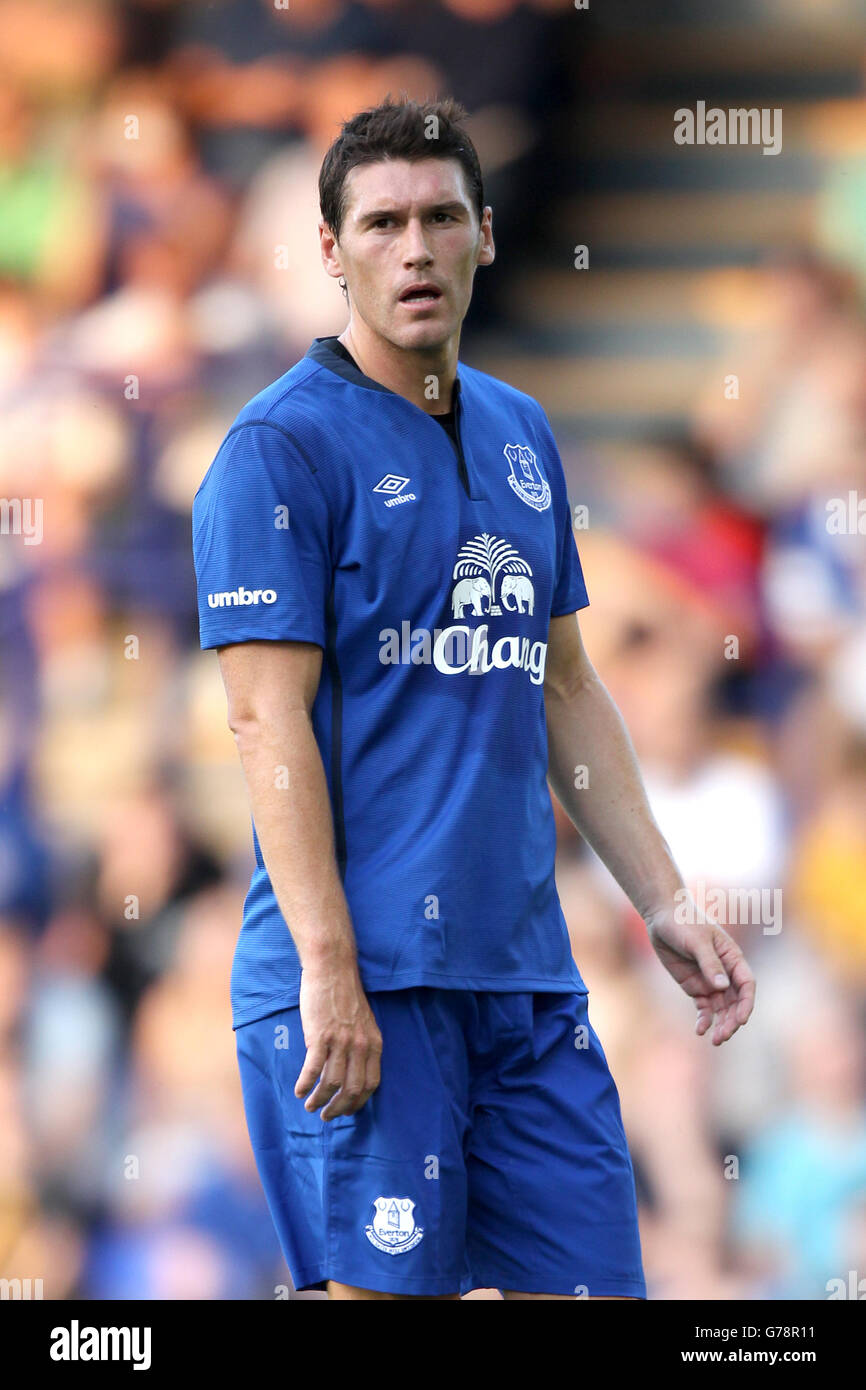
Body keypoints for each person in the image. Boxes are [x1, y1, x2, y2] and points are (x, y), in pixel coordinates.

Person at [192, 94, 755, 1301]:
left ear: (484, 236)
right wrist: (328, 965)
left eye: (441, 216)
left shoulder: (521, 431)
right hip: (362, 979)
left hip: (525, 980)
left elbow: (562, 684)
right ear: (331, 252)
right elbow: (262, 720)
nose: (414, 248)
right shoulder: (277, 451)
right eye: (382, 222)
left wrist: (658, 895)